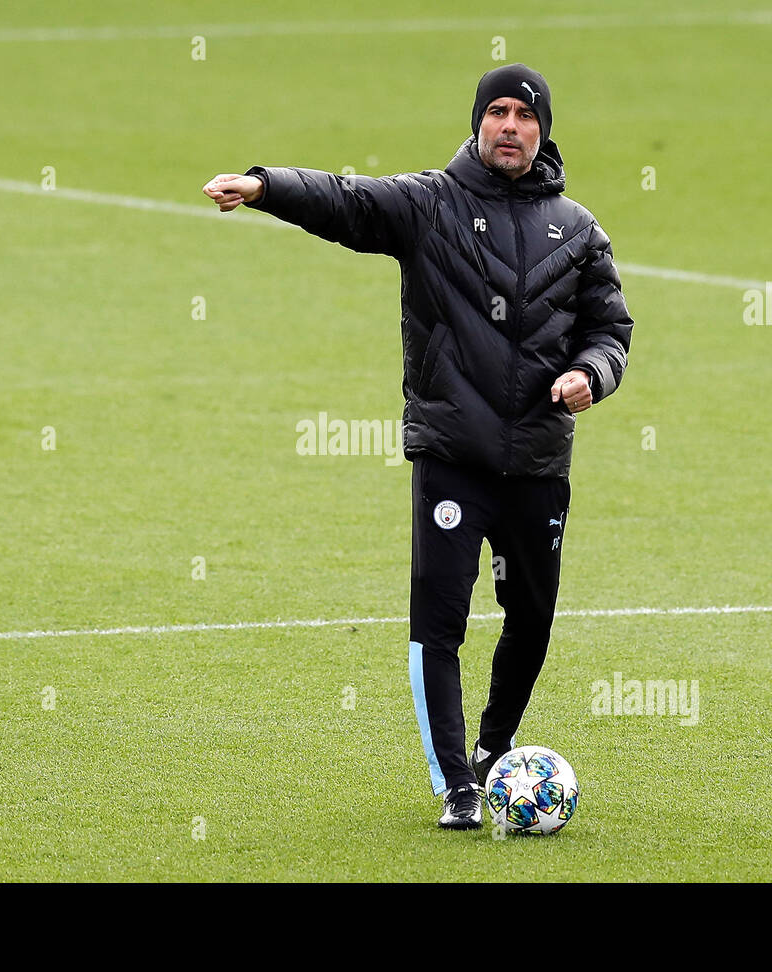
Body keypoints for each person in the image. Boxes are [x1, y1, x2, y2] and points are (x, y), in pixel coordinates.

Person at [203, 63, 633, 829]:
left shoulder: (580, 229)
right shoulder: (429, 206)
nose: (509, 126)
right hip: (452, 454)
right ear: (477, 124)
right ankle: (456, 787)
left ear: (543, 130)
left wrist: (588, 376)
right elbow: (347, 200)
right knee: (439, 621)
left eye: (524, 116)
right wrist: (266, 187)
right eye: (496, 112)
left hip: (537, 459)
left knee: (531, 617)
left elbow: (611, 332)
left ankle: (493, 756)